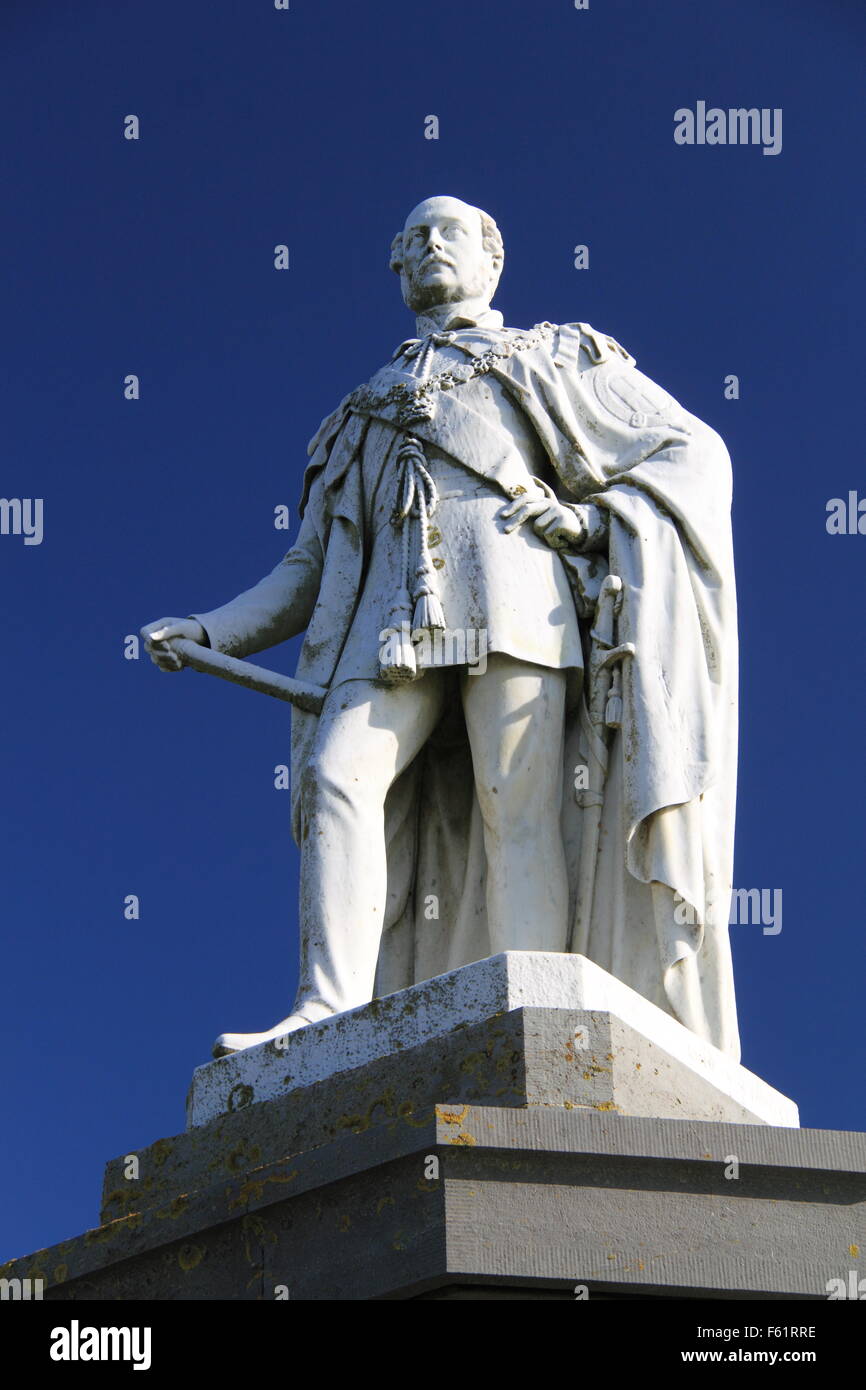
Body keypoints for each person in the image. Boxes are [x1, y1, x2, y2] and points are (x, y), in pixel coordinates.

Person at [143, 195, 740, 1061]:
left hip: (517, 603)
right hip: (386, 632)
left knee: (519, 802)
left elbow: (692, 450)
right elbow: (305, 572)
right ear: (396, 265)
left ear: (492, 259)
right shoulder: (358, 414)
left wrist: (593, 519)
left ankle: (535, 1001)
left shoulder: (552, 356)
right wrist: (210, 629)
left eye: (448, 233)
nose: (429, 248)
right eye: (413, 238)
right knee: (337, 777)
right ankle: (327, 1008)